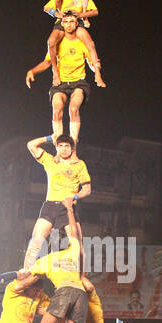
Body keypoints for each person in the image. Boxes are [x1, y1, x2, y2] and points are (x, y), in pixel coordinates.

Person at [26, 14, 105, 146]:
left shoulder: (82, 43)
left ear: (76, 24)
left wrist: (96, 70)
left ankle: (73, 142)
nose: (69, 24)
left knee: (73, 108)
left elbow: (92, 61)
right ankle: (58, 141)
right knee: (57, 108)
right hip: (60, 83)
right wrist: (32, 71)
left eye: (72, 21)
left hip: (78, 83)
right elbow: (47, 62)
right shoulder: (57, 44)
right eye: (66, 21)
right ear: (62, 24)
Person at [23, 135, 91, 271]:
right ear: (56, 147)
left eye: (67, 146)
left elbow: (87, 189)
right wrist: (50, 137)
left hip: (68, 209)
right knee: (35, 243)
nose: (64, 149)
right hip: (50, 206)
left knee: (77, 246)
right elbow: (31, 145)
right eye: (61, 146)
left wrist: (74, 197)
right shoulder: (50, 160)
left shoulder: (79, 164)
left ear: (72, 149)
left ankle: (80, 279)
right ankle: (25, 274)